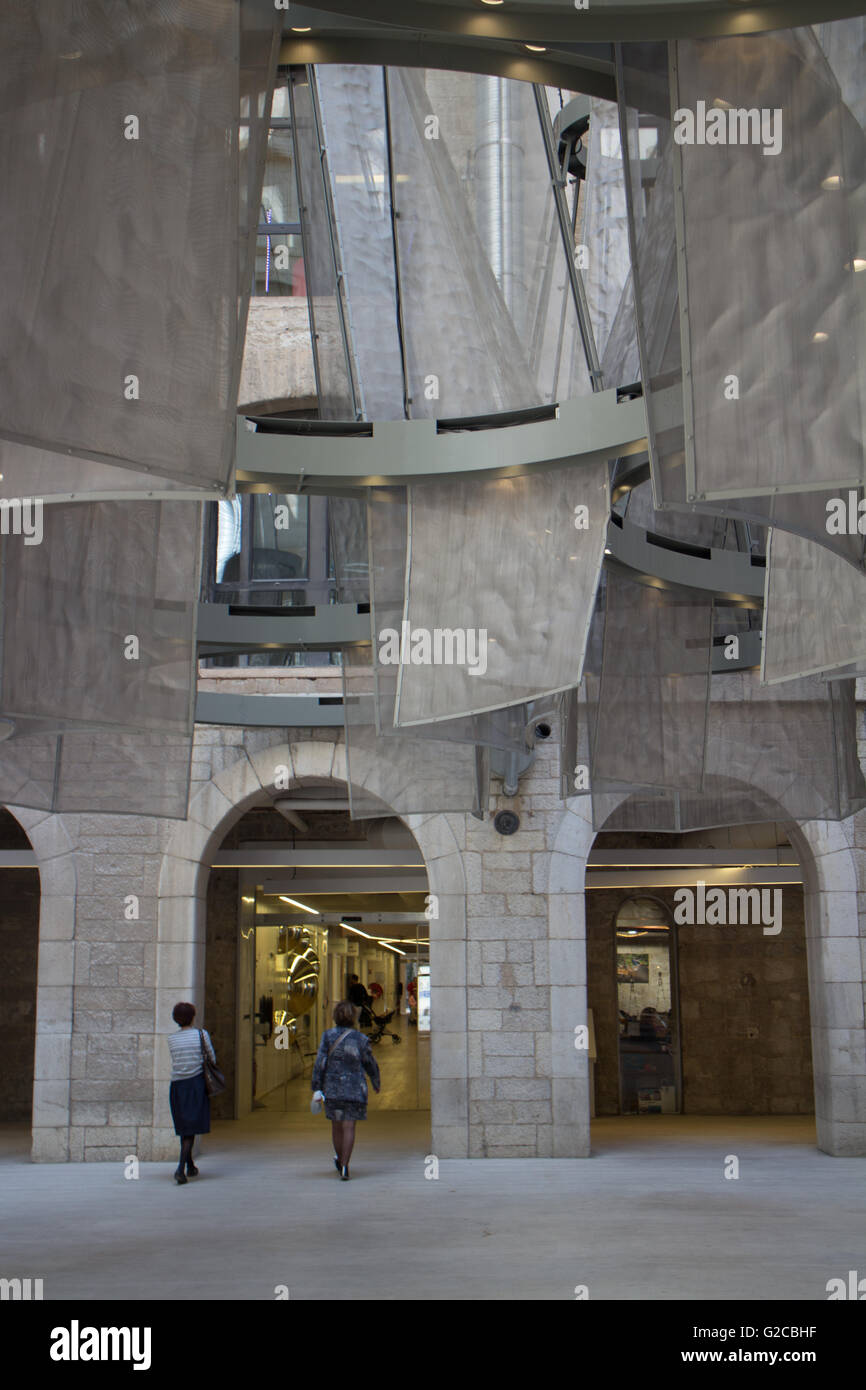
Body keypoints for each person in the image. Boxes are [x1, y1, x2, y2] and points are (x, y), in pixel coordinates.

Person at [311, 1001, 380, 1181]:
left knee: (336, 1125)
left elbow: (320, 1063)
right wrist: (375, 1080)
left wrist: (316, 1087)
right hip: (355, 1088)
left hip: (333, 1089)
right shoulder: (360, 1039)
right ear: (353, 1018)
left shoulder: (328, 1037)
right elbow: (369, 1062)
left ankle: (340, 1158)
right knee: (349, 1126)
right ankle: (345, 1166)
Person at [167, 1001, 216, 1186]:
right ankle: (181, 1168)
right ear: (193, 1016)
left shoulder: (172, 1039)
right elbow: (211, 1057)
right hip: (195, 1084)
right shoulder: (201, 1035)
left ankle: (190, 1165)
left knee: (184, 1127)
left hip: (177, 1086)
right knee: (190, 1129)